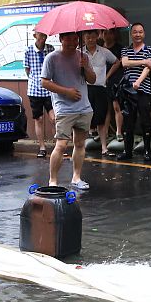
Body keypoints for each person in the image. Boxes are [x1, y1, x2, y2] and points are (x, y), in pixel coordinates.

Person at [40, 31, 96, 189]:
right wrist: (66, 91)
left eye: (75, 39)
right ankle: (53, 181)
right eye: (69, 39)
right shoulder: (52, 58)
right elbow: (44, 82)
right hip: (64, 108)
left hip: (84, 107)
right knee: (61, 144)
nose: (73, 42)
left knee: (79, 143)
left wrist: (86, 67)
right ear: (61, 39)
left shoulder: (83, 56)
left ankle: (76, 178)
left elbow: (92, 80)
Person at [119, 21, 151, 162]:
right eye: (135, 32)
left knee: (145, 122)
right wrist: (143, 61)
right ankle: (127, 151)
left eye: (140, 32)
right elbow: (125, 63)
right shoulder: (125, 50)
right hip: (128, 92)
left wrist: (138, 82)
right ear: (131, 34)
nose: (137, 34)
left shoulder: (150, 50)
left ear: (144, 34)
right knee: (128, 122)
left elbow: (149, 68)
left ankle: (147, 151)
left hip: (143, 91)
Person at [81, 30, 119, 155]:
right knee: (84, 119)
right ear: (84, 38)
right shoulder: (79, 52)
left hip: (100, 88)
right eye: (88, 37)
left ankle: (104, 148)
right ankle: (80, 147)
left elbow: (116, 62)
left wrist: (107, 76)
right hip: (85, 88)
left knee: (101, 119)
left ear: (97, 37)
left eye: (93, 37)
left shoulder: (103, 51)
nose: (90, 40)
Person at [24, 30, 55, 158]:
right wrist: (35, 79)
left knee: (54, 118)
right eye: (40, 35)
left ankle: (57, 145)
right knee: (39, 119)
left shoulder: (51, 49)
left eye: (44, 35)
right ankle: (42, 147)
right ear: (34, 36)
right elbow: (27, 69)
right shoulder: (28, 50)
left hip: (49, 88)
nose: (43, 38)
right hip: (34, 89)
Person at [103, 27, 125, 144]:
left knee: (117, 107)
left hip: (116, 81)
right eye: (104, 33)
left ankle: (119, 132)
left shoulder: (120, 48)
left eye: (110, 33)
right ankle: (104, 133)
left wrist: (107, 77)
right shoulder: (99, 49)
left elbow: (118, 63)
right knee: (105, 109)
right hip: (102, 82)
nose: (107, 36)